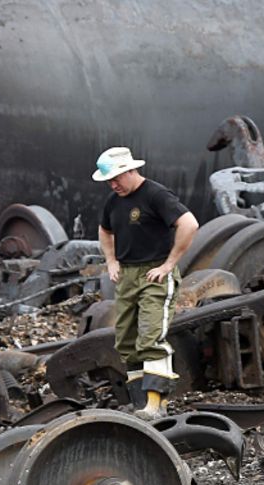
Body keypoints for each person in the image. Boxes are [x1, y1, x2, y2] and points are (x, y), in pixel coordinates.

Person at [94, 147, 199, 420]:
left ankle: (156, 404)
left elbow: (189, 224)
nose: (112, 184)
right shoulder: (113, 201)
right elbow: (104, 230)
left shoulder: (156, 195)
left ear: (131, 170)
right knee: (126, 341)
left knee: (151, 337)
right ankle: (140, 402)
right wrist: (111, 261)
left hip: (155, 274)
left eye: (116, 178)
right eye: (108, 180)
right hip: (127, 275)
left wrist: (168, 264)